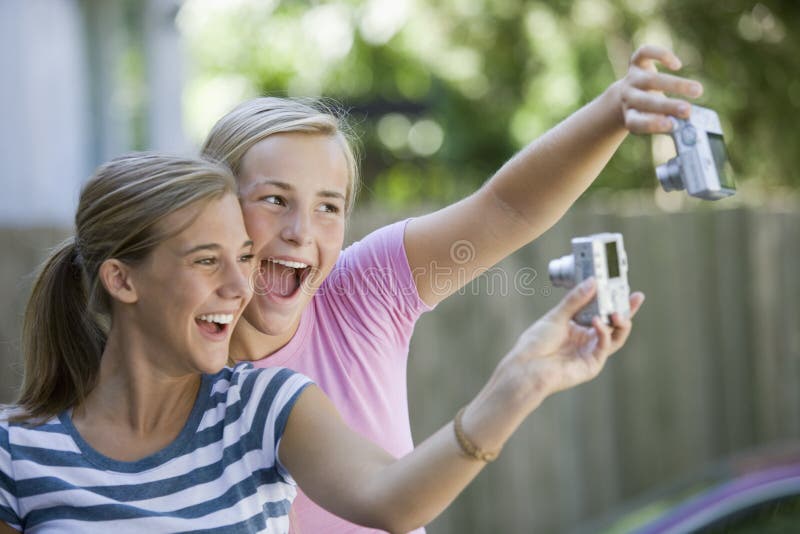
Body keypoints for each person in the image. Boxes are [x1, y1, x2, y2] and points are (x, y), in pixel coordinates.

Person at [0, 153, 641, 533]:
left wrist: (521, 383)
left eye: (243, 256)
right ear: (121, 278)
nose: (238, 284)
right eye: (205, 261)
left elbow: (392, 499)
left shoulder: (264, 408)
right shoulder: (16, 453)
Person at [200, 44, 683, 531]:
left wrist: (613, 111)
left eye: (328, 207)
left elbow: (506, 210)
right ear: (213, 206)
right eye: (275, 199)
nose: (301, 231)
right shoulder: (162, 364)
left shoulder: (360, 293)